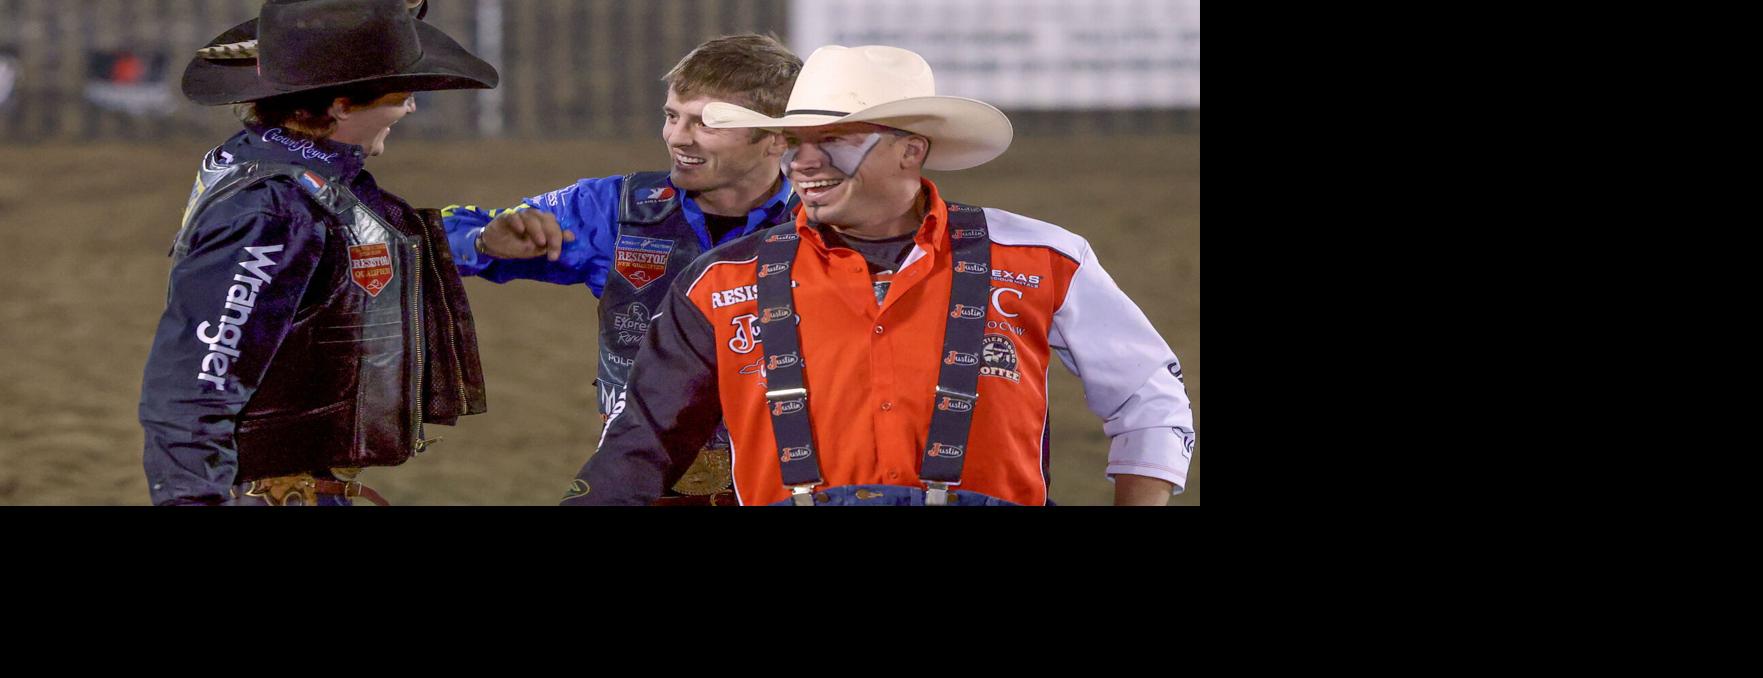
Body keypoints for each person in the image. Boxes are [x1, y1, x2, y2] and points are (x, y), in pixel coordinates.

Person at [564, 45, 1195, 506]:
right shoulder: (715, 283)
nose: (804, 163)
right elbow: (641, 447)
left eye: (834, 139)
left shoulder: (1045, 256)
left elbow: (1148, 396)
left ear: (910, 149)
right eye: (794, 142)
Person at [139, 0, 498, 505]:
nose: (410, 106)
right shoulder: (273, 209)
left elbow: (351, 251)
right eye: (400, 92)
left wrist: (479, 242)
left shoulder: (278, 169)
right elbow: (198, 383)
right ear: (341, 106)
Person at [441, 34, 801, 505]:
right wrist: (483, 240)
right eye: (673, 115)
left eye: (706, 123)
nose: (677, 137)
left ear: (777, 137)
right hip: (642, 486)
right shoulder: (614, 209)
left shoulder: (823, 230)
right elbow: (439, 236)